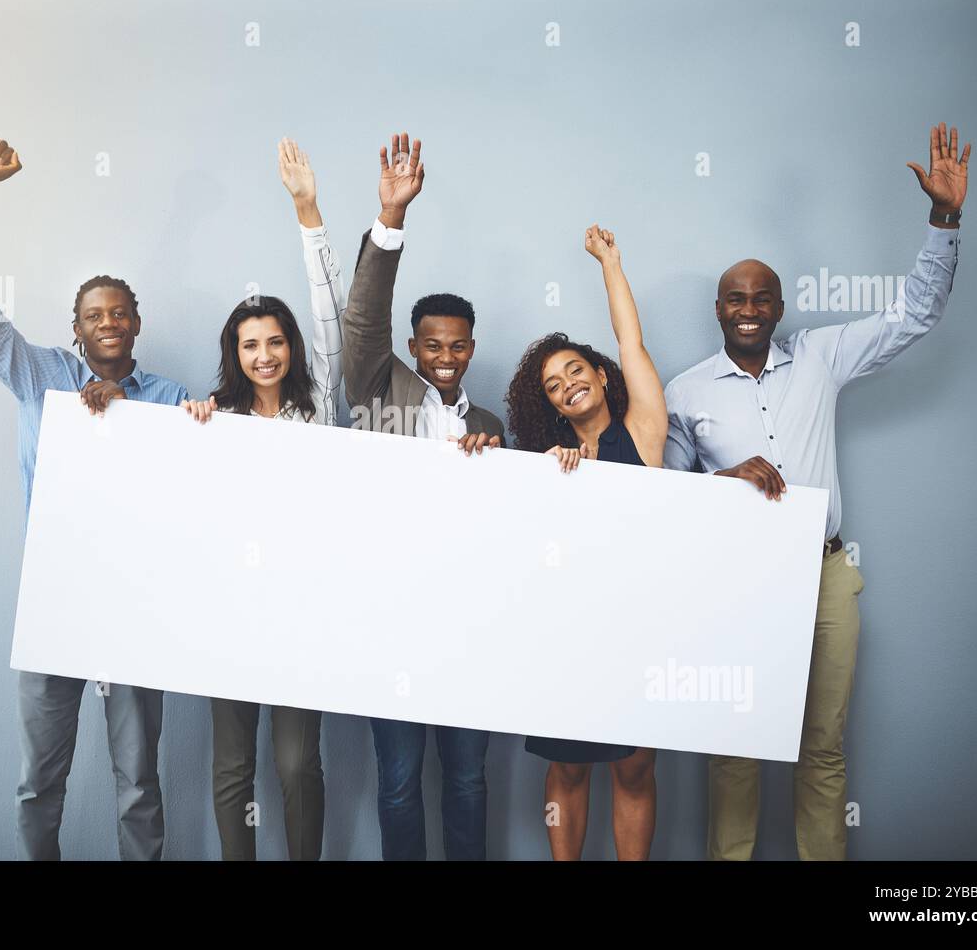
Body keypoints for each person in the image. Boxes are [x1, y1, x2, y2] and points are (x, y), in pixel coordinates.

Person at [663, 122, 968, 861]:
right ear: (718, 309)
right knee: (734, 745)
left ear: (778, 308)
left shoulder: (823, 358)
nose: (748, 307)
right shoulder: (687, 389)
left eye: (761, 297)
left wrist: (945, 219)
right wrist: (720, 478)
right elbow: (665, 497)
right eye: (734, 297)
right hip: (736, 579)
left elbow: (914, 316)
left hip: (825, 571)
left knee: (822, 745)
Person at [0, 136, 188, 860]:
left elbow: (182, 497)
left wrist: (129, 414)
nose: (108, 323)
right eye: (94, 315)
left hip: (133, 607)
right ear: (75, 329)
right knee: (37, 782)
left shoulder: (171, 398)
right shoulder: (37, 376)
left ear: (136, 324)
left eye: (120, 313)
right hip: (54, 600)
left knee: (138, 779)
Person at [341, 132, 504, 861]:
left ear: (471, 348)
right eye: (432, 344)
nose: (444, 356)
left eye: (458, 345)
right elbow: (361, 320)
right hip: (394, 619)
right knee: (401, 781)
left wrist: (497, 469)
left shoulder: (494, 425)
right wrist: (391, 219)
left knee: (468, 780)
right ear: (412, 347)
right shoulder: (381, 386)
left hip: (470, 622)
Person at [180, 138, 344, 859]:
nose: (265, 355)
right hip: (227, 609)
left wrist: (307, 210)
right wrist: (191, 436)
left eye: (275, 341)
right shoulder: (215, 420)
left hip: (302, 609)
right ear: (235, 354)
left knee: (296, 763)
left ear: (292, 348)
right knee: (230, 767)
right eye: (250, 345)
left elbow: (331, 309)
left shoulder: (325, 408)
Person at [503, 224, 667, 860]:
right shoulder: (547, 464)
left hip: (638, 628)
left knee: (632, 768)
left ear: (600, 374)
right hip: (567, 636)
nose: (568, 382)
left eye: (576, 369)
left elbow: (632, 339)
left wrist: (611, 263)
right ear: (549, 405)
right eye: (553, 383)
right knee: (567, 771)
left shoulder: (643, 432)